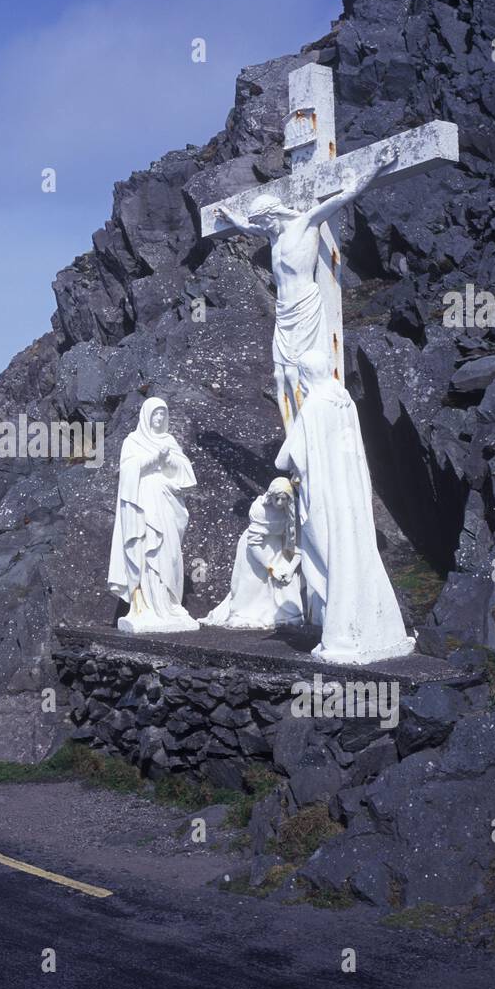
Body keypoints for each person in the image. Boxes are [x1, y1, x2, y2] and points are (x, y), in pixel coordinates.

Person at [212, 142, 397, 427]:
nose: (264, 227)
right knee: (280, 375)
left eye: (265, 221)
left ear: (274, 214)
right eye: (261, 223)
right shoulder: (273, 235)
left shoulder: (307, 222)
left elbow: (346, 195)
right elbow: (248, 228)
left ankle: (315, 427)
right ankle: (295, 435)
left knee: (304, 371)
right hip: (284, 309)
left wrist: (377, 166)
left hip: (305, 305)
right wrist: (231, 217)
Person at [274, 350, 414, 663]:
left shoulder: (313, 406)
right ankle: (380, 630)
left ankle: (343, 634)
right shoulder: (345, 401)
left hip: (326, 495)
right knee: (358, 556)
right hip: (350, 492)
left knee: (334, 559)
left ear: (306, 374)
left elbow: (286, 458)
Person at [108, 397, 199, 633]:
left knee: (170, 554)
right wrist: (154, 458)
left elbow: (185, 473)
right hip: (144, 504)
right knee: (146, 553)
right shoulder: (133, 441)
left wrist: (168, 459)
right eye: (155, 414)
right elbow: (127, 470)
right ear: (146, 416)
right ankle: (147, 607)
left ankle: (169, 603)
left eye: (163, 414)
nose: (159, 419)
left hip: (167, 503)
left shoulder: (169, 440)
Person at [201, 478, 303, 629]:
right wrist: (271, 569)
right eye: (277, 498)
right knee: (253, 590)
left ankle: (282, 615)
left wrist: (290, 568)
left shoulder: (294, 509)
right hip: (257, 550)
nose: (280, 503)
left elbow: (300, 546)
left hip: (281, 549)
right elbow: (254, 545)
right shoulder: (260, 509)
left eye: (284, 499)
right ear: (270, 496)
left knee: (287, 588)